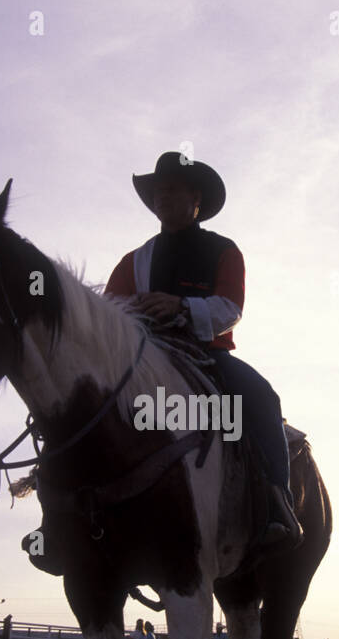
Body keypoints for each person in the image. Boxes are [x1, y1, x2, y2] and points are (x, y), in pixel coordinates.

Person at [105, 151, 301, 552]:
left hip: (209, 356)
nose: (163, 197)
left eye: (172, 189)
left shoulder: (223, 250)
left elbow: (230, 310)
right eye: (159, 191)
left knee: (262, 398)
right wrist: (131, 316)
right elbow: (107, 316)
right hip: (143, 360)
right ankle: (69, 517)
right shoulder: (134, 260)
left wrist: (180, 306)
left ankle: (276, 502)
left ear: (196, 199)